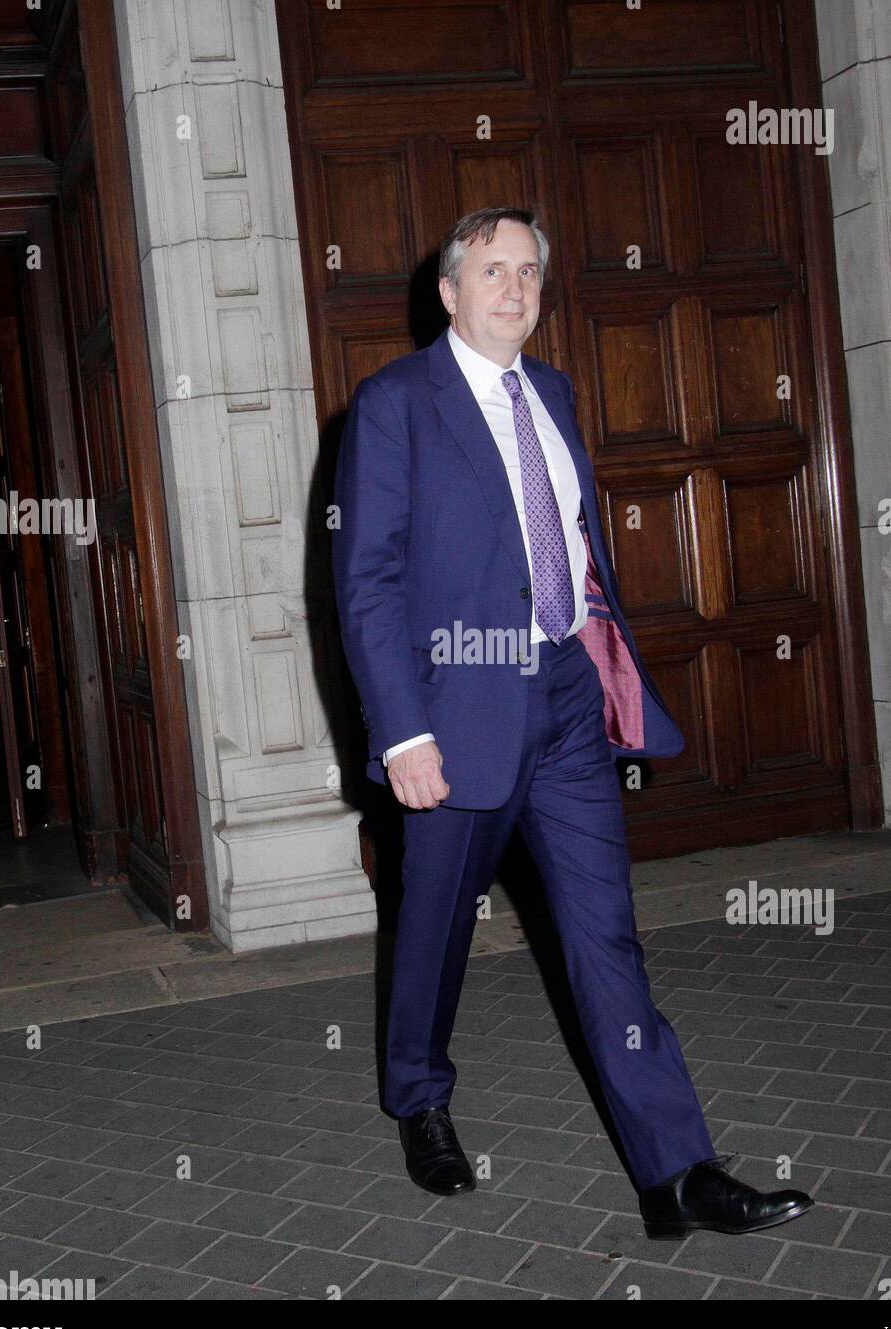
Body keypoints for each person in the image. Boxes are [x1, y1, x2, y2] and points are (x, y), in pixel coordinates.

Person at [331, 207, 814, 1237]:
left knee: (606, 939)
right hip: (452, 713)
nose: (513, 287)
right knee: (430, 930)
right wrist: (401, 731)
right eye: (491, 270)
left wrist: (596, 658)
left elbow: (568, 546)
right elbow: (363, 580)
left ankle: (675, 1170)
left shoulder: (550, 393)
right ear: (449, 292)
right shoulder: (393, 405)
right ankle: (418, 1095)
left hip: (561, 705)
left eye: (529, 273)